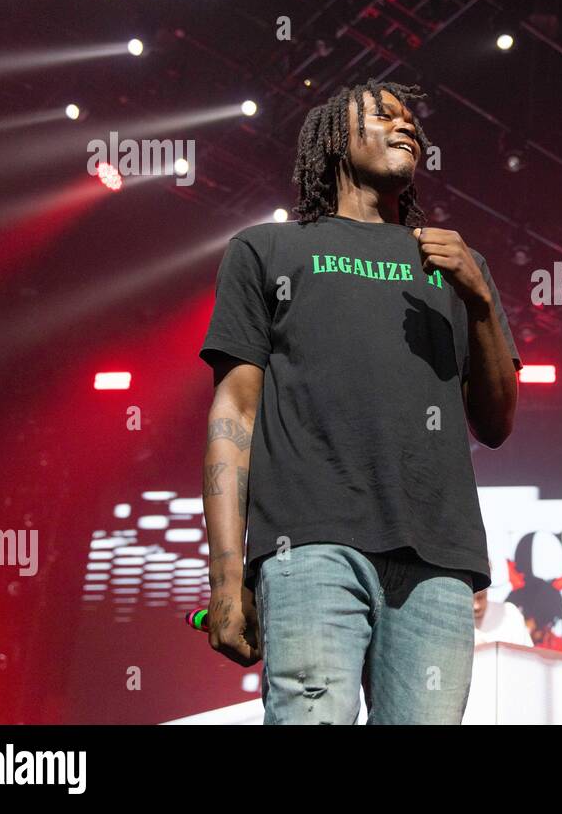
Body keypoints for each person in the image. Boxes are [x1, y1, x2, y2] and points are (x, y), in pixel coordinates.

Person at [198, 78, 521, 724]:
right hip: (310, 547)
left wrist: (480, 301)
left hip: (437, 561)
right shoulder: (268, 250)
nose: (407, 127)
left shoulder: (456, 266)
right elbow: (234, 413)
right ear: (334, 142)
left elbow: (496, 423)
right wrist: (227, 578)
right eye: (384, 115)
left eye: (412, 122)